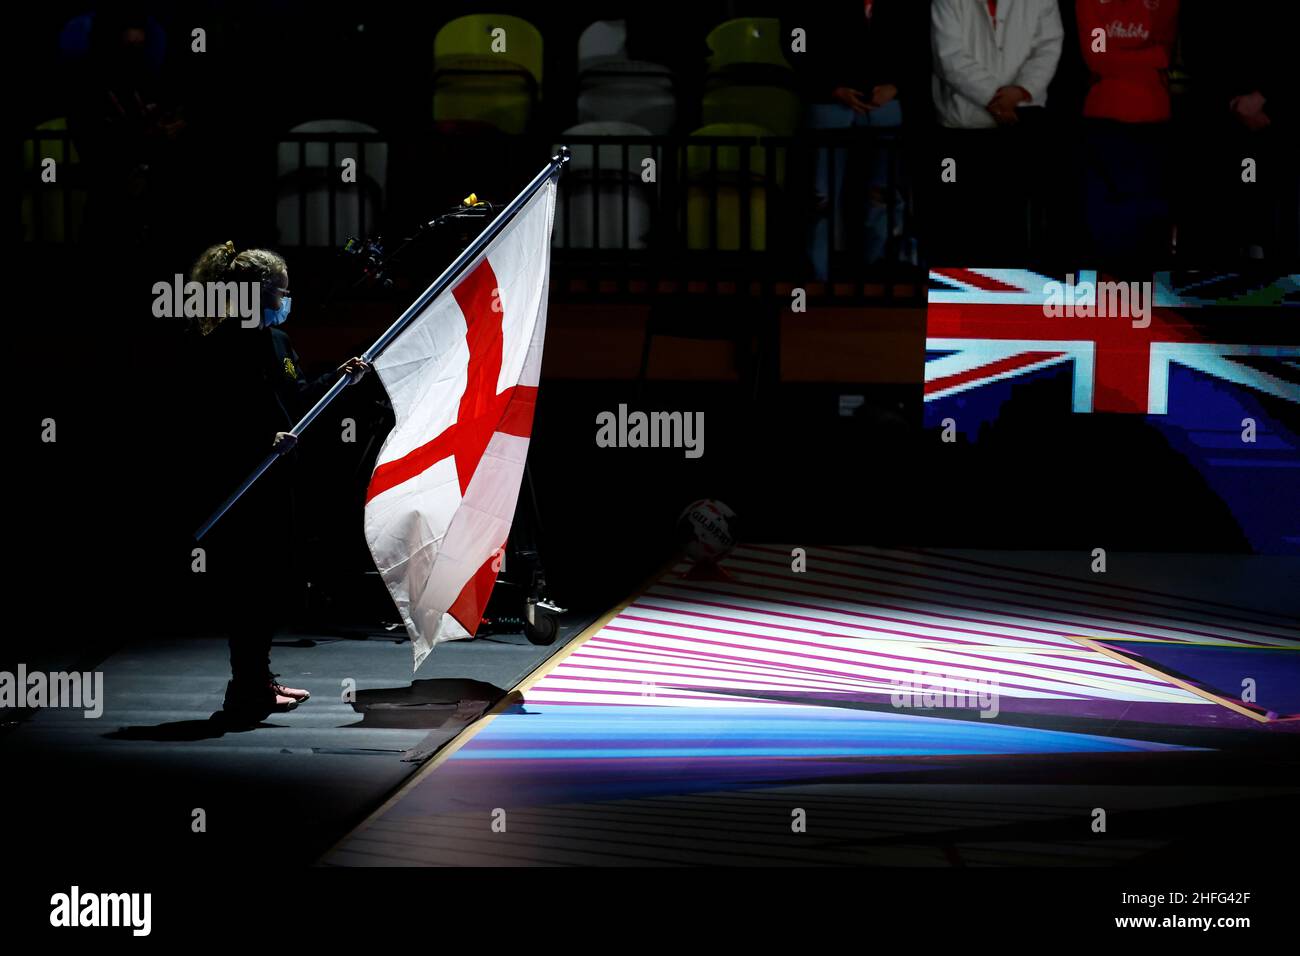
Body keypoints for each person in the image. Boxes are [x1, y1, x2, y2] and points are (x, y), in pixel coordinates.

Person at [185, 241, 369, 722]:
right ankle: (245, 688)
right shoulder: (222, 346)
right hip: (243, 485)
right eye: (281, 291)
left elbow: (299, 396)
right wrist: (260, 441)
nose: (288, 299)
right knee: (249, 588)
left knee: (270, 586)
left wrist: (339, 379)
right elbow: (210, 421)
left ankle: (258, 680)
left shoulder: (278, 342)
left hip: (279, 480)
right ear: (258, 293)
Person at [785, 1, 928, 280]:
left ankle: (879, 273)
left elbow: (922, 43)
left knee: (883, 192)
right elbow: (795, 41)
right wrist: (831, 87)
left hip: (885, 104)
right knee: (820, 195)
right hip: (827, 103)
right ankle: (816, 278)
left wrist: (896, 85)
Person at [928, 0, 1064, 265]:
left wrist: (1022, 90)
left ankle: (1010, 302)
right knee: (958, 218)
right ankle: (961, 301)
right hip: (960, 129)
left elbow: (1048, 47)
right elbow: (949, 57)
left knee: (1011, 220)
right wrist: (998, 99)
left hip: (1017, 128)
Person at [1076, 0, 1181, 268]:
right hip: (1104, 121)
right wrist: (1148, 59)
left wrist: (1120, 58)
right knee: (1106, 231)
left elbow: (1165, 53)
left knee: (1147, 233)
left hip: (1153, 121)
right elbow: (1096, 56)